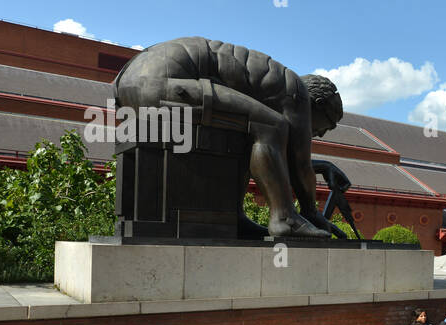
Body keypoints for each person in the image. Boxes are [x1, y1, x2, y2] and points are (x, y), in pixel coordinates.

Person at [113, 37, 343, 239]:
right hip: (160, 82)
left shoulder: (275, 82)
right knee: (270, 126)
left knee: (249, 131)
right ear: (319, 105)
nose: (321, 133)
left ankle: (233, 218)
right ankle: (284, 219)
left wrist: (321, 167)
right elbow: (299, 162)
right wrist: (311, 212)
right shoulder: (297, 91)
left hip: (128, 84)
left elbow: (276, 157)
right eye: (328, 125)